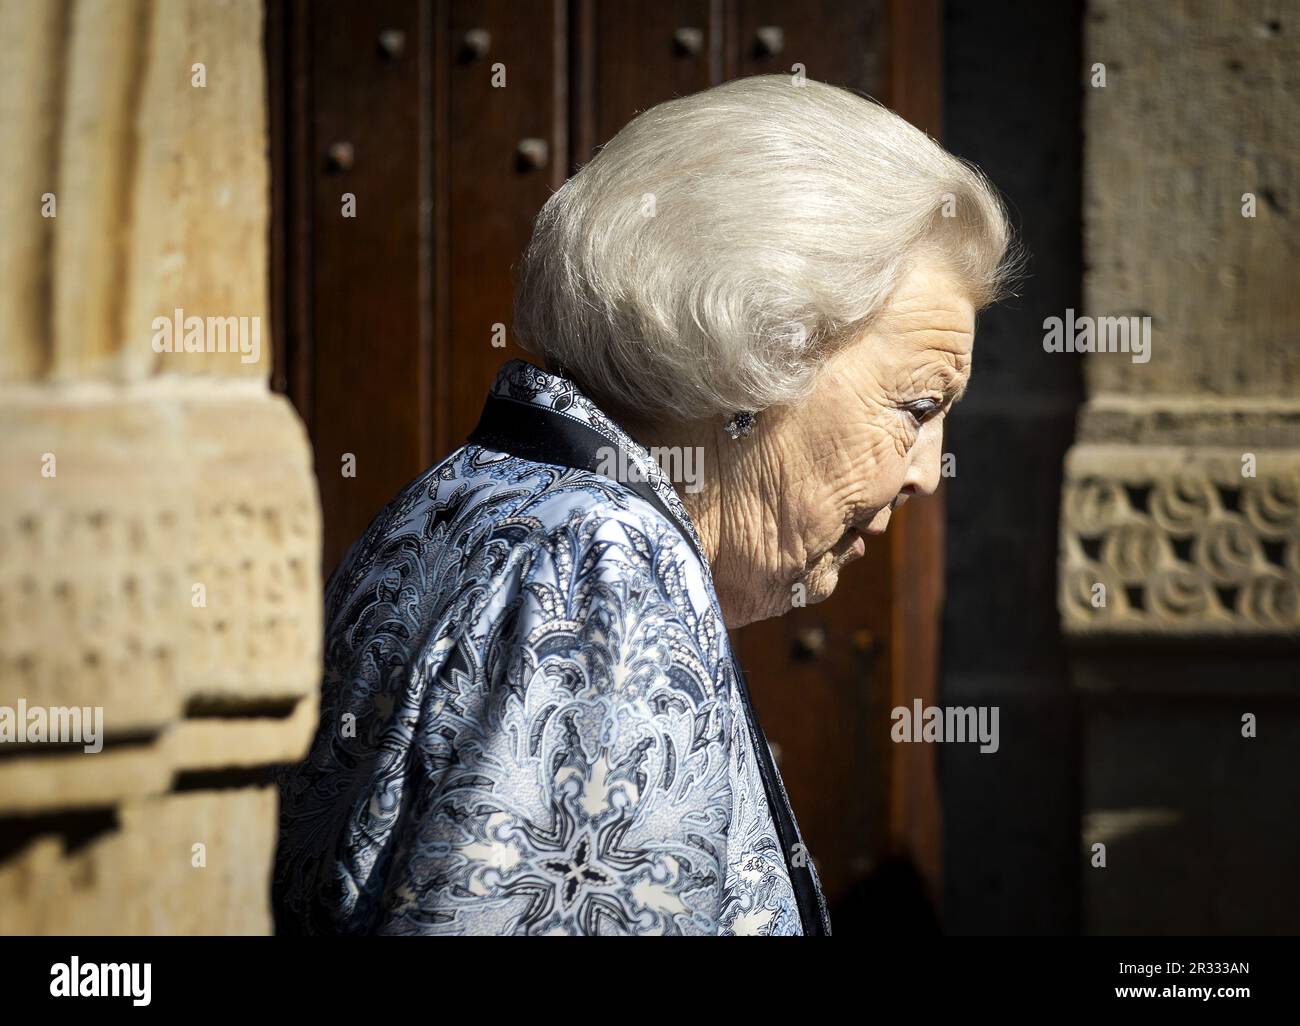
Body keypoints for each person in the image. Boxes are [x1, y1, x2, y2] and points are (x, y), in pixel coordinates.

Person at [274, 74, 1015, 936]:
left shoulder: (477, 493)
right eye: (918, 406)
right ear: (760, 347)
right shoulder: (604, 558)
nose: (928, 471)